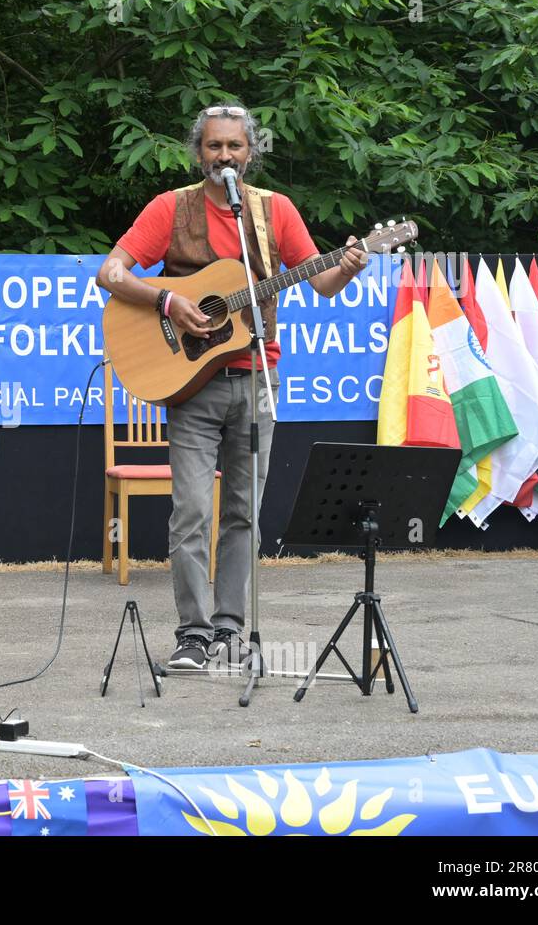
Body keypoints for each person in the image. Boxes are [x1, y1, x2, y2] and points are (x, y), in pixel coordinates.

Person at [96, 103, 367, 670]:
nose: (225, 157)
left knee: (244, 511)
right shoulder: (170, 208)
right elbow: (111, 273)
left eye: (235, 147)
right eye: (215, 146)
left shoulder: (275, 212)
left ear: (251, 153)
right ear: (200, 153)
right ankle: (192, 635)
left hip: (257, 378)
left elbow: (321, 284)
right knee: (191, 509)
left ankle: (230, 630)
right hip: (193, 384)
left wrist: (348, 266)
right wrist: (168, 300)